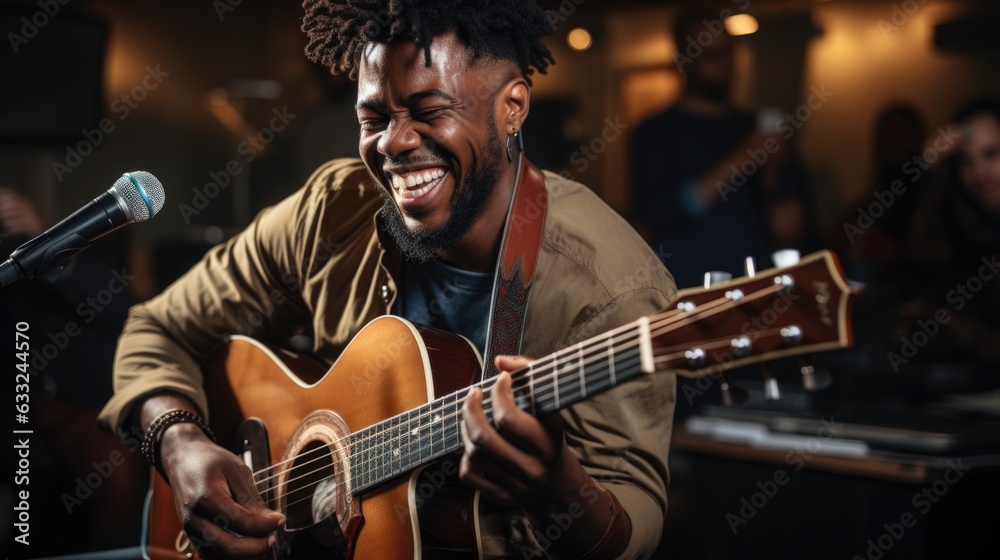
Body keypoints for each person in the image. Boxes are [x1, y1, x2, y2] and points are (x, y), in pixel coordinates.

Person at [98, 1, 677, 558]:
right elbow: (158, 326)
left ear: (513, 107)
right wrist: (178, 439)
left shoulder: (611, 286)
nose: (394, 144)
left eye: (429, 111)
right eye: (373, 119)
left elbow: (639, 516)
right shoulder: (331, 209)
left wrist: (561, 492)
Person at [630, 10, 814, 289]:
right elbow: (656, 216)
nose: (723, 63)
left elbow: (790, 230)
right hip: (688, 293)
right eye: (709, 54)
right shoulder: (654, 133)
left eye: (728, 52)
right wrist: (743, 157)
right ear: (683, 60)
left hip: (756, 290)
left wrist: (774, 171)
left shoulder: (755, 129)